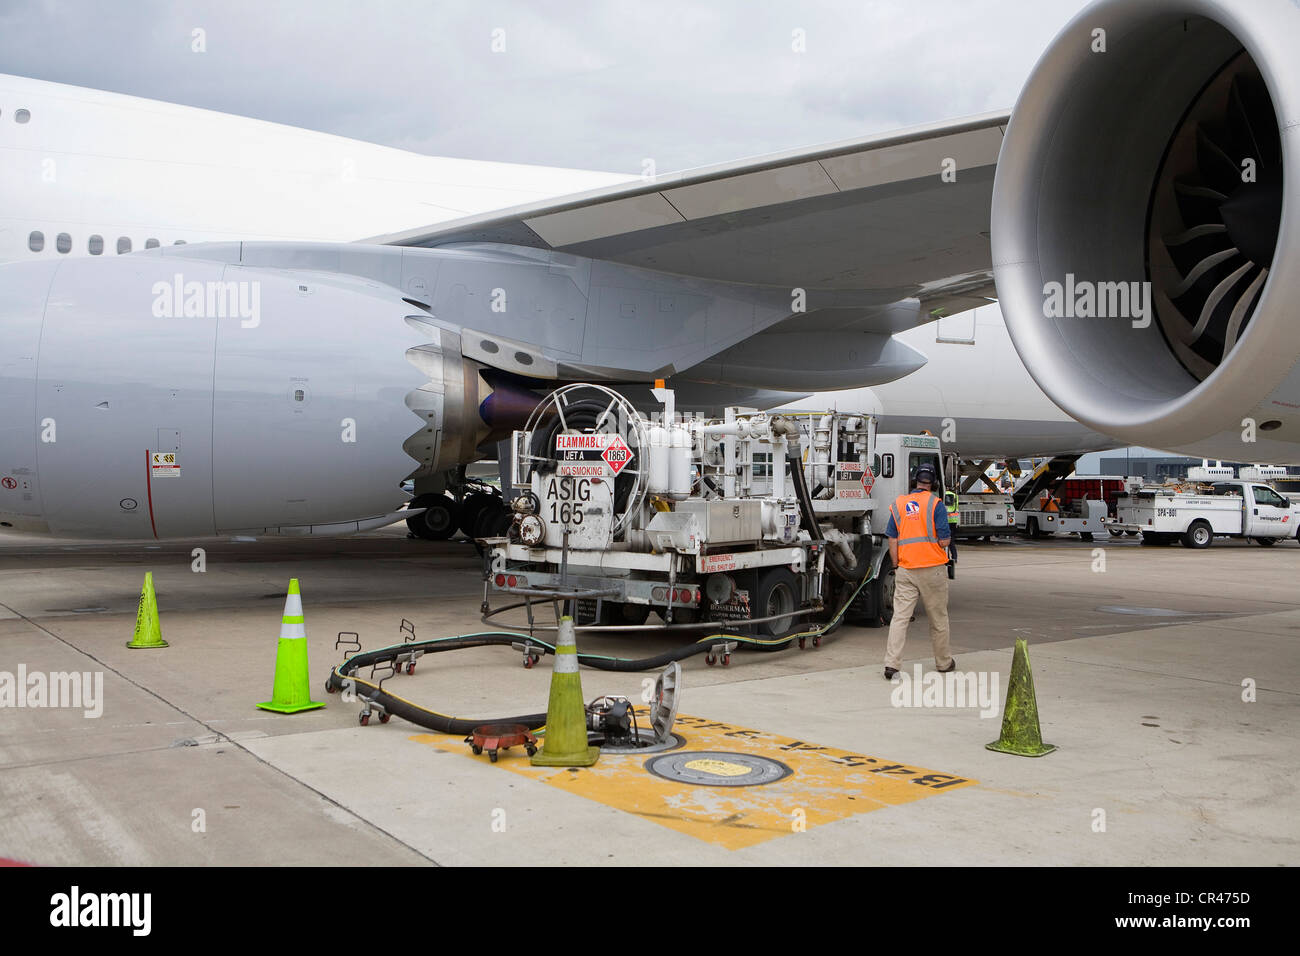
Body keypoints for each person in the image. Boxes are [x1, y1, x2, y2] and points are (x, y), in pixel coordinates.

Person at [883, 463, 955, 679]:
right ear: (933, 483)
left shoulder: (899, 504)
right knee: (938, 619)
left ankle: (892, 665)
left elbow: (892, 538)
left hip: (905, 568)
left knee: (900, 619)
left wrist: (896, 564)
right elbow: (944, 541)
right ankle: (943, 663)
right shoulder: (936, 504)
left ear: (914, 481)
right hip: (932, 569)